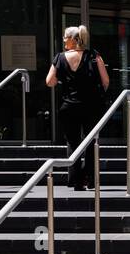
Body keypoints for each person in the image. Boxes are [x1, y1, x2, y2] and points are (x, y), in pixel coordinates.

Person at [45, 25, 110, 191]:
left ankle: (75, 179)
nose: (64, 40)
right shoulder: (94, 56)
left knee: (72, 142)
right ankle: (89, 177)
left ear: (74, 39)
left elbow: (49, 81)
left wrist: (64, 81)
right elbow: (106, 81)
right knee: (90, 142)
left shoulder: (59, 58)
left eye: (66, 37)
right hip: (91, 106)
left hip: (69, 106)